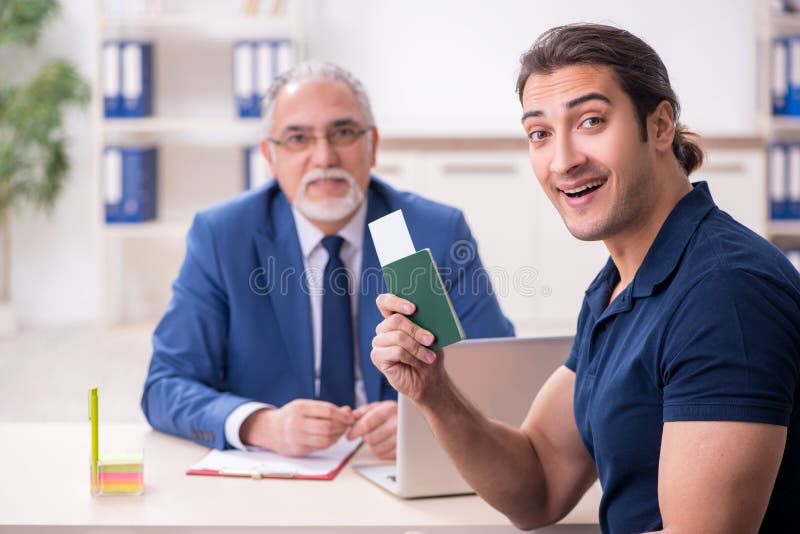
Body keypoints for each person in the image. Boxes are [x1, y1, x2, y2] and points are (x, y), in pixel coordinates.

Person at [371, 23, 800, 533]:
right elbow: (540, 482)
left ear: (661, 126)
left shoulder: (725, 292)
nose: (564, 160)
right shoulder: (617, 284)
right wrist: (432, 391)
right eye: (540, 134)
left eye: (592, 121)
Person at [140, 61, 514, 460]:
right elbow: (165, 385)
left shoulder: (432, 232)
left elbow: (499, 375)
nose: (324, 157)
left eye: (343, 133)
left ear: (372, 144)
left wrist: (427, 415)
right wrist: (260, 424)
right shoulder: (223, 235)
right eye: (298, 137)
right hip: (275, 473)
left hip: (395, 466)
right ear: (270, 155)